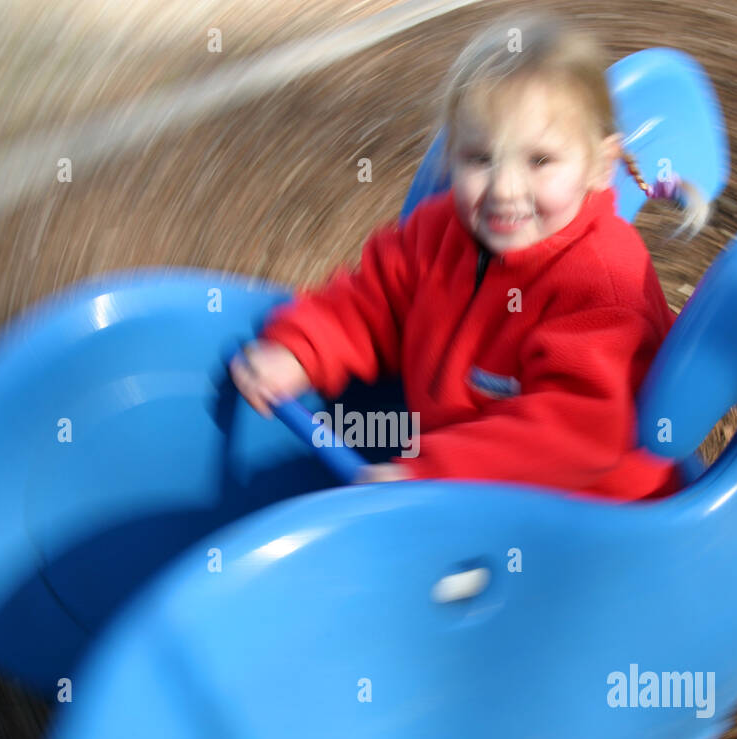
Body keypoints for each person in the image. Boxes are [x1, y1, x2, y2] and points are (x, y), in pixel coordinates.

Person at [230, 14, 708, 498]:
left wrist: (434, 469)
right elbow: (371, 301)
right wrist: (299, 350)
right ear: (451, 156)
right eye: (480, 159)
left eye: (539, 160)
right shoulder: (438, 231)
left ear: (599, 167)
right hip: (464, 484)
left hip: (592, 518)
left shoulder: (605, 284)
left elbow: (575, 430)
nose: (504, 190)